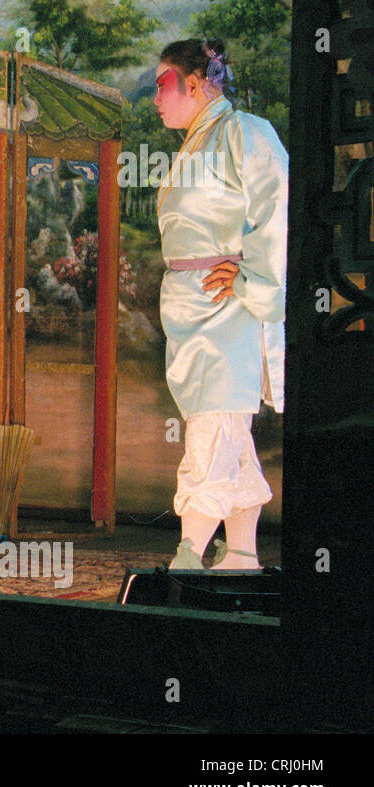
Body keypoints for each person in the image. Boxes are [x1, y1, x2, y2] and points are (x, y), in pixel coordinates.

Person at [152, 39, 287, 571]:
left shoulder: (245, 132)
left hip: (227, 307)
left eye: (162, 85)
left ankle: (189, 554)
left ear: (194, 83)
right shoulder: (195, 143)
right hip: (193, 301)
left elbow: (277, 208)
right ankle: (243, 553)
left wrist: (251, 278)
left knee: (214, 425)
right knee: (226, 430)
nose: (155, 98)